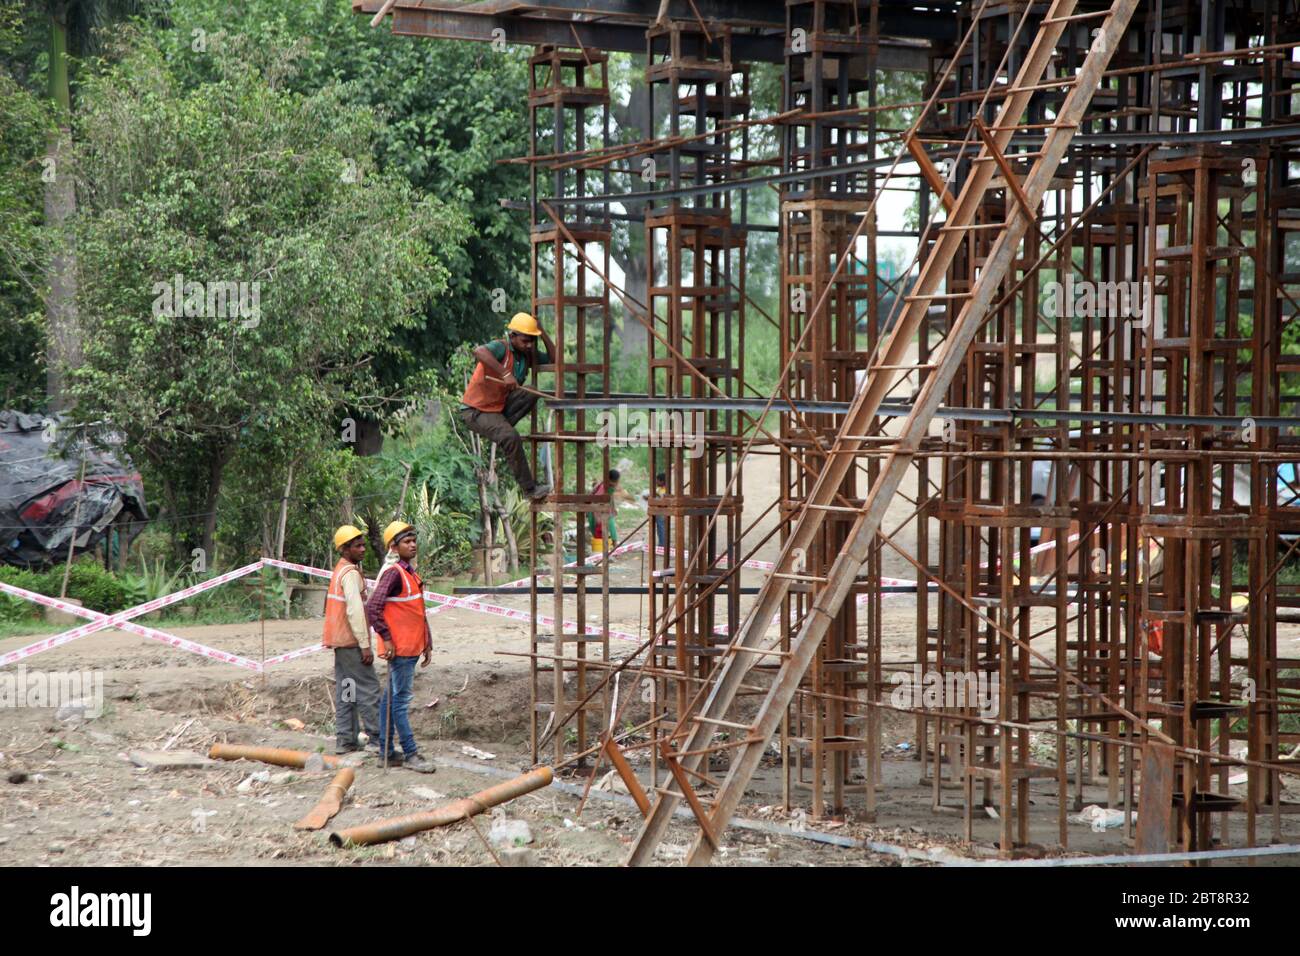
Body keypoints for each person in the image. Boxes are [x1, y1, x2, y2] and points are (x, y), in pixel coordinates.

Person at [458, 312, 556, 501]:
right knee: (511, 437)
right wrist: (504, 373)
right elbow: (478, 351)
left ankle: (503, 429)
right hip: (477, 411)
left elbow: (554, 358)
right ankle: (529, 490)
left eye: (532, 341)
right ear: (512, 336)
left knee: (531, 391)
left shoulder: (527, 354)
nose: (529, 345)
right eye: (526, 341)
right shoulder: (501, 347)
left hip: (498, 409)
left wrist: (542, 331)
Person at [364, 521, 436, 773]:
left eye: (414, 540)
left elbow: (417, 609)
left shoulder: (409, 572)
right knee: (400, 702)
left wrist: (427, 642)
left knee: (390, 700)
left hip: (412, 646)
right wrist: (387, 638)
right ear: (394, 546)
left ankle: (385, 752)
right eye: (407, 541)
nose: (413, 544)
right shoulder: (394, 573)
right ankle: (410, 753)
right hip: (402, 649)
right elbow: (372, 607)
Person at [323, 525, 382, 756]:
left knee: (347, 690)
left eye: (363, 544)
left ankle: (345, 739)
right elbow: (355, 611)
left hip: (339, 642)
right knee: (368, 689)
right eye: (357, 546)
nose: (363, 549)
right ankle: (377, 739)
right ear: (344, 549)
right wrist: (364, 645)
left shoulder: (340, 570)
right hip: (351, 643)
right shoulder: (350, 574)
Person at [590, 469, 635, 552]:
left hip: (604, 511)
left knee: (609, 529)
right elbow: (596, 501)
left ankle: (612, 546)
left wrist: (612, 509)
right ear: (613, 480)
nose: (618, 483)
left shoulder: (609, 486)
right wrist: (598, 516)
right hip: (597, 511)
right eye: (617, 481)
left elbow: (610, 498)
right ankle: (610, 548)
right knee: (600, 531)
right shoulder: (603, 487)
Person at [653, 471, 669, 550]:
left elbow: (663, 500)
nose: (656, 482)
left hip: (662, 512)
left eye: (657, 480)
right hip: (658, 512)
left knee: (662, 528)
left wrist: (658, 496)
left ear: (662, 481)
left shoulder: (665, 490)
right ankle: (661, 544)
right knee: (659, 528)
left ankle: (662, 545)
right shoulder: (659, 489)